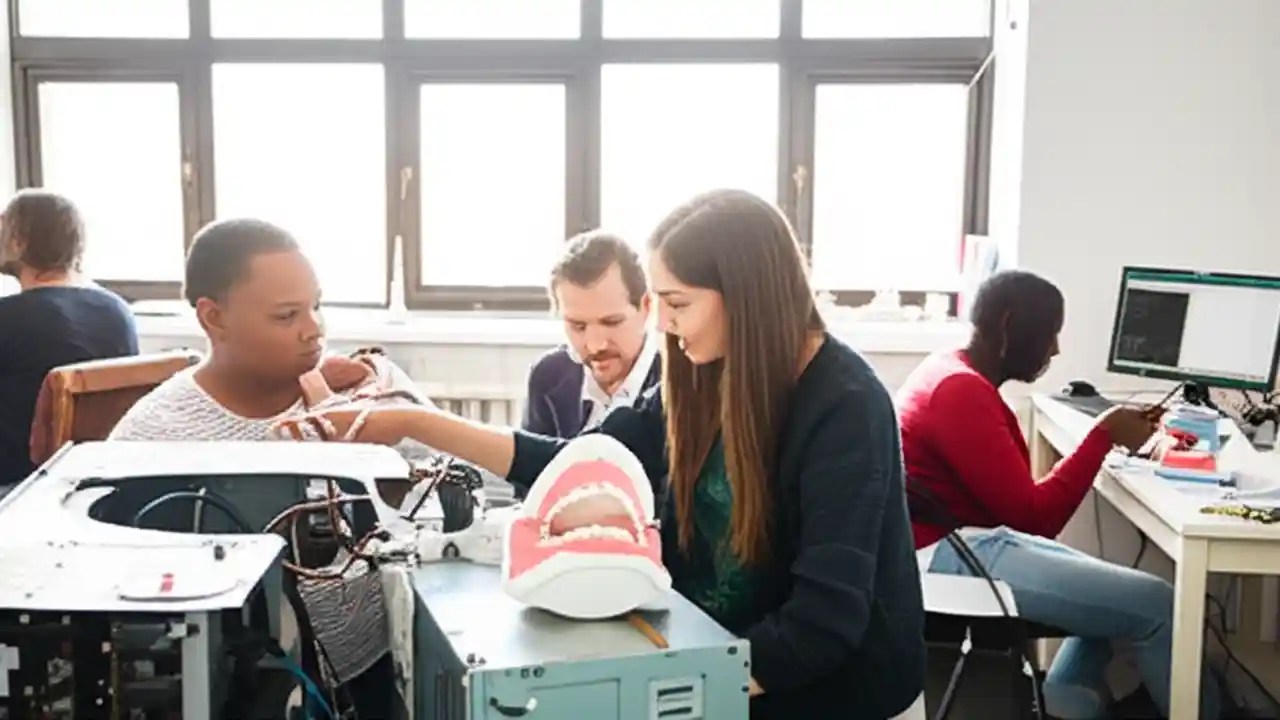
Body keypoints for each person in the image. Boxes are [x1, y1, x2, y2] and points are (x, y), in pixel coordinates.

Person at [276, 189, 927, 719]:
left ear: (746, 295)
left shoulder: (844, 405)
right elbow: (578, 459)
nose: (662, 323)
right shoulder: (705, 371)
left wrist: (668, 689)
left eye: (677, 303)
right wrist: (409, 422)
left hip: (820, 688)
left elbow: (823, 626)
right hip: (713, 652)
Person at [896, 270, 1222, 720]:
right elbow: (1034, 520)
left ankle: (1065, 707)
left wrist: (1102, 437)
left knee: (1114, 602)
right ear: (1009, 325)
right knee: (1159, 605)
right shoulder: (960, 391)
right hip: (952, 554)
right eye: (1050, 332)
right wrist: (1102, 436)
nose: (1055, 349)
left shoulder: (948, 369)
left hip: (956, 543)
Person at [109, 218, 425, 443]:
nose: (314, 330)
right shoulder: (152, 436)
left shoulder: (364, 391)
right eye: (287, 315)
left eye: (316, 306)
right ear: (214, 318)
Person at [0, 189, 137, 488]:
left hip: (16, 488)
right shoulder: (117, 311)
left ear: (19, 242)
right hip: (93, 483)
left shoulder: (8, 317)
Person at [523, 230, 660, 438]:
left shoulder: (684, 380)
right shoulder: (549, 375)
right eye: (578, 326)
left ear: (647, 307)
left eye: (612, 322)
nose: (596, 345)